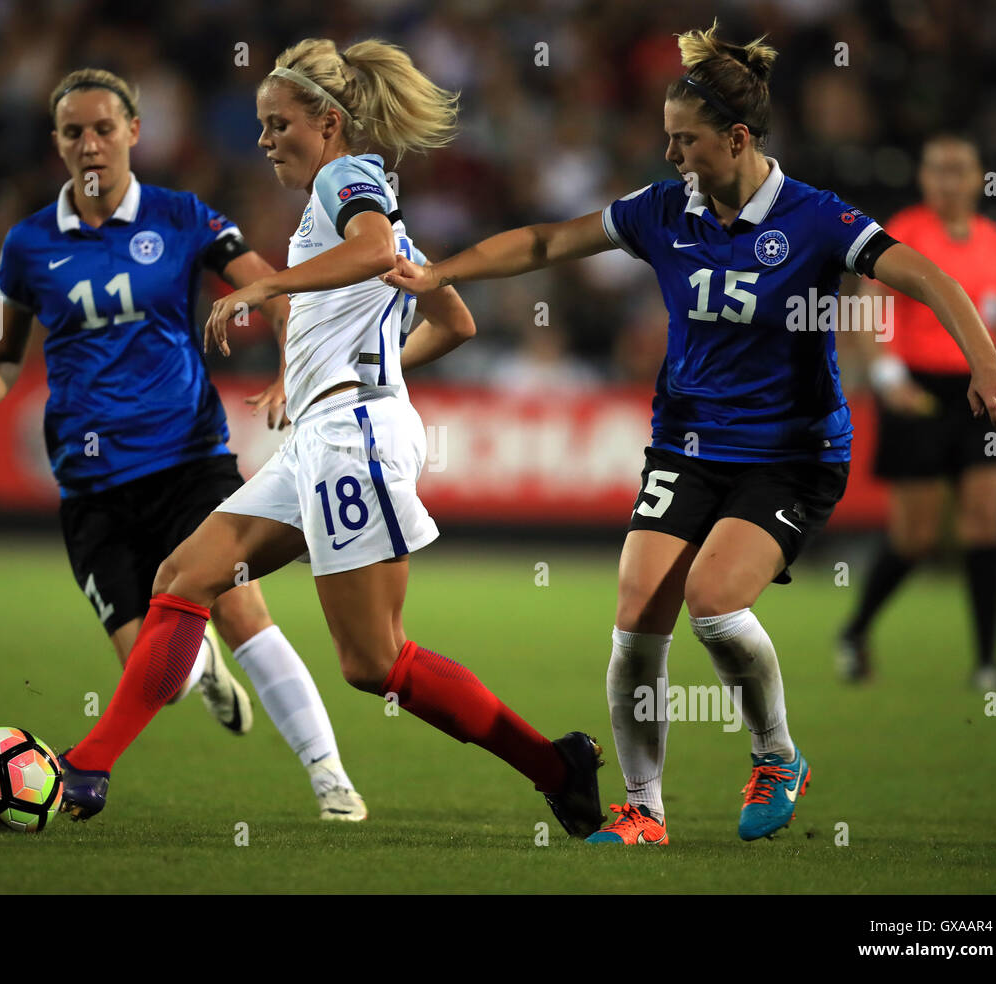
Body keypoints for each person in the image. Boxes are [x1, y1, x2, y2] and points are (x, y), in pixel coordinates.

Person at [383, 22, 996, 844]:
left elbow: (927, 275)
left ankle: (777, 755)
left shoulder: (816, 218)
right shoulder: (663, 210)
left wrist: (986, 363)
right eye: (668, 138)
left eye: (686, 140)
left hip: (791, 455)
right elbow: (548, 240)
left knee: (714, 605)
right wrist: (441, 271)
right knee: (634, 619)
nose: (672, 154)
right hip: (686, 446)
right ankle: (644, 810)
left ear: (738, 138)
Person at [56, 39, 608, 840]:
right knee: (183, 576)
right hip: (330, 431)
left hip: (353, 440)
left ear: (327, 121)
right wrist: (354, 368)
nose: (264, 139)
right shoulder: (357, 202)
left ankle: (556, 767)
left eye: (278, 124)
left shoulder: (346, 179)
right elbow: (453, 318)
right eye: (261, 125)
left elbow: (377, 250)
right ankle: (90, 765)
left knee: (375, 662)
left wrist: (271, 288)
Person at [0, 68, 367, 821]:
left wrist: (288, 374)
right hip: (91, 484)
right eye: (73, 132)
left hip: (189, 461)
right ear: (57, 143)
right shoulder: (29, 243)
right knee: (159, 679)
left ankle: (331, 779)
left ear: (134, 132)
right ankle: (198, 668)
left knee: (242, 610)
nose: (90, 144)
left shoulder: (182, 217)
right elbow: (5, 353)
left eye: (103, 128)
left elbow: (277, 294)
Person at [838, 134, 996, 691]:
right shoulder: (905, 233)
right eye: (938, 169)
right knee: (915, 536)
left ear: (979, 177)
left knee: (986, 520)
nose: (948, 180)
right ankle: (856, 631)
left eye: (958, 169)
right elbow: (869, 305)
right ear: (923, 178)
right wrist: (888, 377)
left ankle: (987, 664)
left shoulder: (995, 241)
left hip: (978, 388)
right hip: (916, 390)